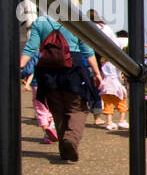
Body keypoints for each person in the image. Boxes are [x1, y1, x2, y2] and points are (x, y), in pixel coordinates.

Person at [20, 11, 101, 162]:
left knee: (57, 110)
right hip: (73, 67)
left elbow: (31, 48)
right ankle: (70, 139)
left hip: (48, 68)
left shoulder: (41, 21)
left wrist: (20, 65)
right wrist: (96, 72)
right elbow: (87, 50)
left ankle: (64, 151)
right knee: (77, 108)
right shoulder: (76, 20)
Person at [97, 56, 127, 130]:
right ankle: (121, 121)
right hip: (115, 85)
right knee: (121, 103)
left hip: (105, 86)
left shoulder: (104, 65)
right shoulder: (115, 64)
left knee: (108, 104)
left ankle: (109, 123)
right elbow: (120, 73)